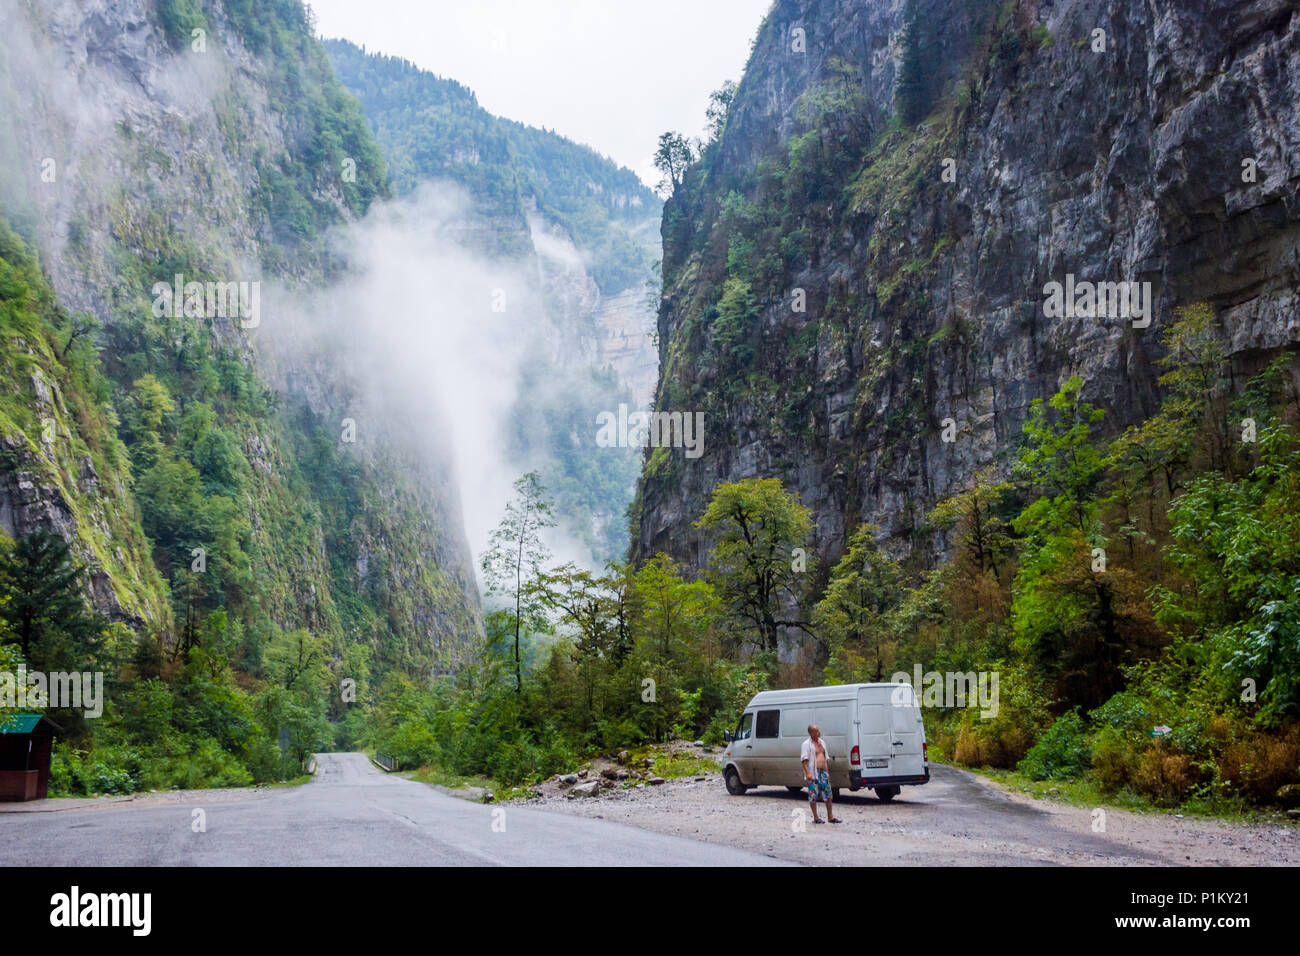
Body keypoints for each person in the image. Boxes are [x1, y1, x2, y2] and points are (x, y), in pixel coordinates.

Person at [801, 724, 841, 823]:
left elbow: (825, 758)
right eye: (816, 731)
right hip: (814, 773)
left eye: (818, 730)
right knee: (813, 795)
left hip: (823, 773)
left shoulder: (822, 742)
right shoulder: (806, 744)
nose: (819, 732)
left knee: (828, 795)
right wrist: (808, 774)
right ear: (811, 733)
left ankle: (830, 817)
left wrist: (827, 774)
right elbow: (804, 760)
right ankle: (816, 817)